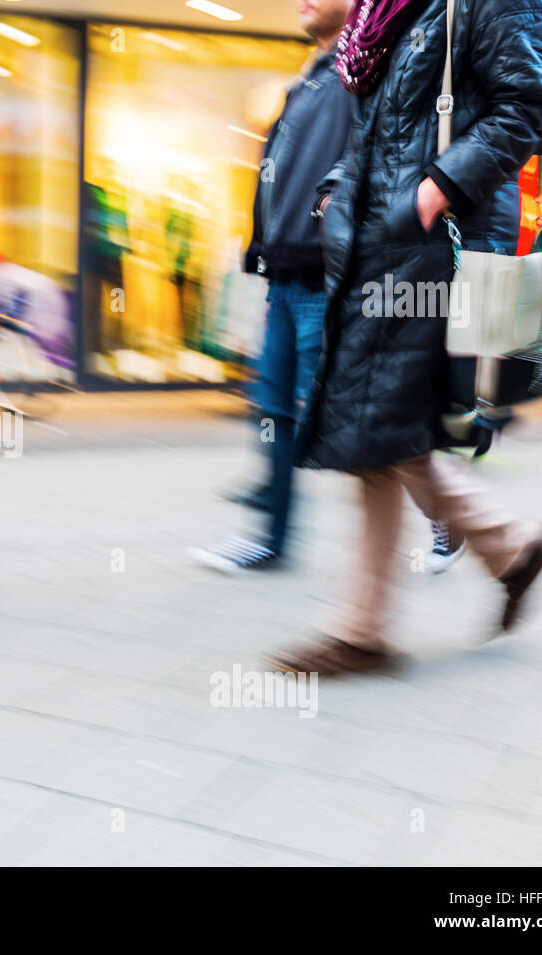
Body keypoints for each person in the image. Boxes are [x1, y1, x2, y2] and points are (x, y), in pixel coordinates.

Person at [271, 0, 542, 674]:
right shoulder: (393, 13)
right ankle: (506, 551)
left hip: (438, 250)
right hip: (379, 246)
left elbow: (535, 103)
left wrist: (438, 187)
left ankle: (365, 629)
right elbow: (379, 135)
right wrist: (338, 189)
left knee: (379, 424)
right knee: (378, 424)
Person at [192, 0, 354, 573]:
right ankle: (271, 539)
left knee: (349, 424)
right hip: (285, 275)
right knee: (273, 410)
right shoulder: (308, 76)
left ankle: (452, 519)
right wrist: (262, 249)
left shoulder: (363, 70)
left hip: (325, 280)